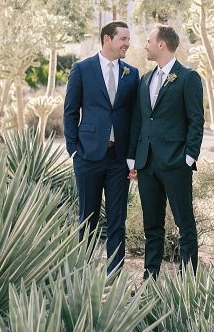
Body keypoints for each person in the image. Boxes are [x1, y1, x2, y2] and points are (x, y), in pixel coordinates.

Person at [128, 24, 204, 279]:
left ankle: (187, 281)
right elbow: (139, 121)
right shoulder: (146, 80)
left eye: (149, 41)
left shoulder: (187, 77)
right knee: (152, 226)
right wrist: (134, 159)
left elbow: (196, 120)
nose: (145, 45)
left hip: (176, 163)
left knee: (185, 225)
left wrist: (188, 157)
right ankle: (150, 278)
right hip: (147, 164)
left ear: (161, 44)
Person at [63, 21, 138, 272]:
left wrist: (132, 157)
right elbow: (70, 111)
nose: (128, 44)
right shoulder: (82, 69)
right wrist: (74, 149)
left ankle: (114, 275)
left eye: (128, 39)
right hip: (88, 156)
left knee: (117, 219)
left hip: (118, 158)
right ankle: (82, 272)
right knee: (87, 217)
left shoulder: (132, 73)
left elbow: (134, 116)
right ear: (107, 39)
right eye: (123, 39)